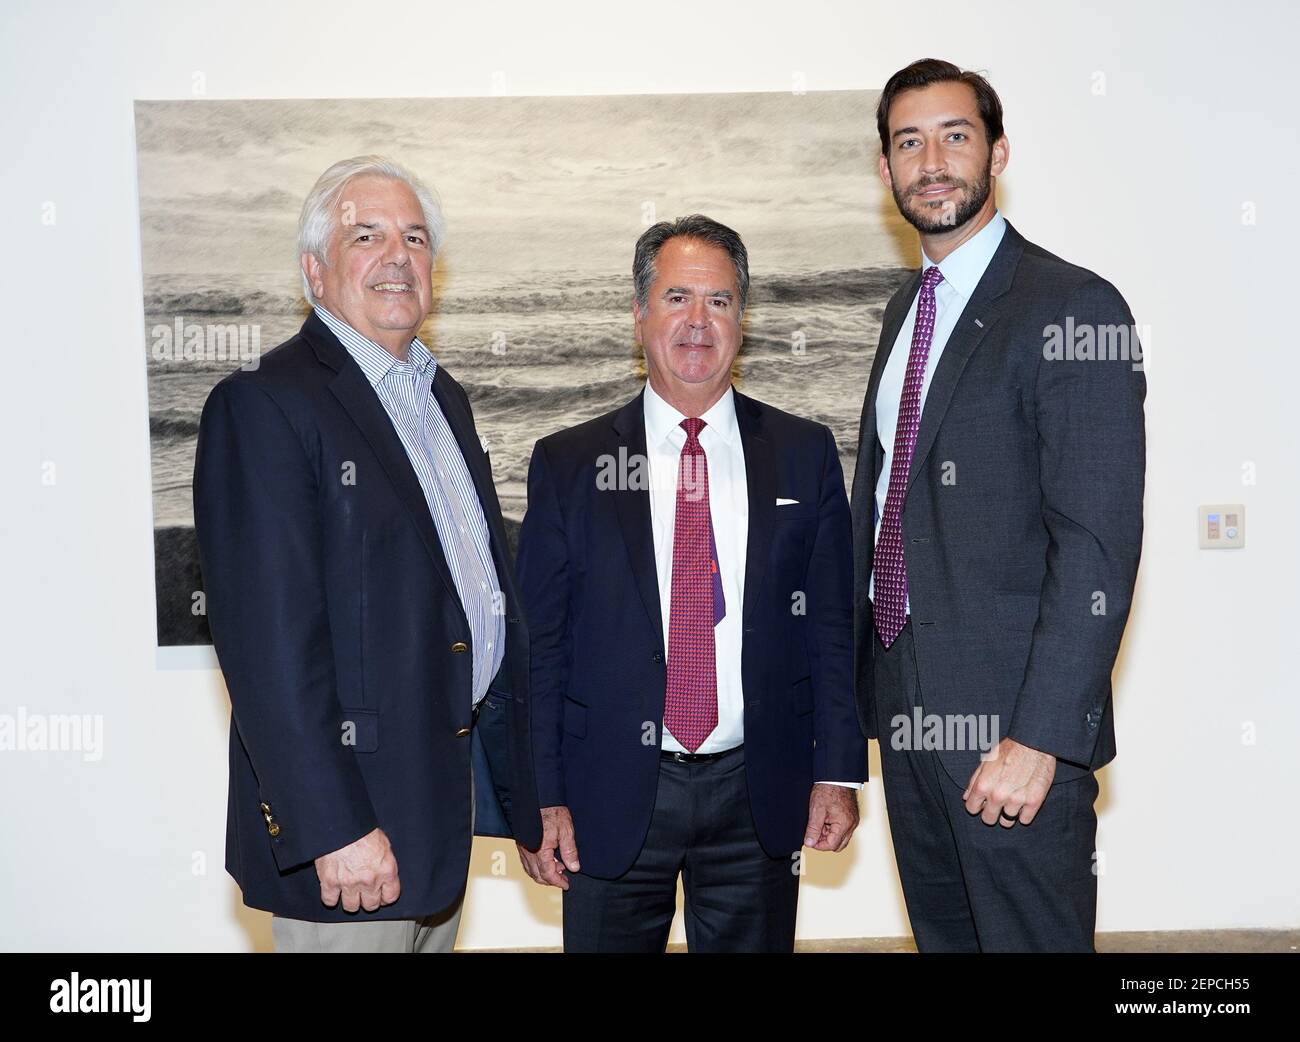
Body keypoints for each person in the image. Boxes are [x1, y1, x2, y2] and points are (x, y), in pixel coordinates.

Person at [193, 155, 540, 953]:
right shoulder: (265, 402)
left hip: (434, 826)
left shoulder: (441, 399)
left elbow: (478, 607)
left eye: (415, 238)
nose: (397, 255)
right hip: (349, 850)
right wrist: (333, 829)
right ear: (315, 270)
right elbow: (268, 652)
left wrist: (525, 794)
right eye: (366, 235)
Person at [851, 60, 1146, 951]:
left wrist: (1041, 738)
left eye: (954, 136)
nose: (931, 161)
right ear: (885, 170)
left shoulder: (1072, 306)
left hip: (1013, 743)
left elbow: (1096, 547)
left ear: (998, 152)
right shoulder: (906, 311)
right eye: (909, 142)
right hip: (908, 727)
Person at [515, 214, 866, 952]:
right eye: (676, 298)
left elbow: (831, 627)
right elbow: (541, 645)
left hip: (759, 792)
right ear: (639, 314)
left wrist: (838, 770)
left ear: (744, 316)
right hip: (607, 790)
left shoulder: (804, 454)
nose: (699, 322)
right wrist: (540, 794)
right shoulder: (570, 463)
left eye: (720, 300)